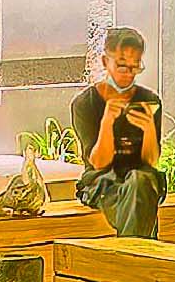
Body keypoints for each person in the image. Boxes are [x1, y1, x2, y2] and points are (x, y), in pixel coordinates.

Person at [66, 28, 167, 238]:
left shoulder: (149, 101)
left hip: (141, 180)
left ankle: (131, 258)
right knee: (137, 194)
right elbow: (99, 162)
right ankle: (141, 256)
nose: (128, 74)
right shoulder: (85, 104)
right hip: (102, 182)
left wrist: (148, 128)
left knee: (140, 182)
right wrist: (107, 122)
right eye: (122, 66)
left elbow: (151, 160)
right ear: (105, 62)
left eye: (134, 67)